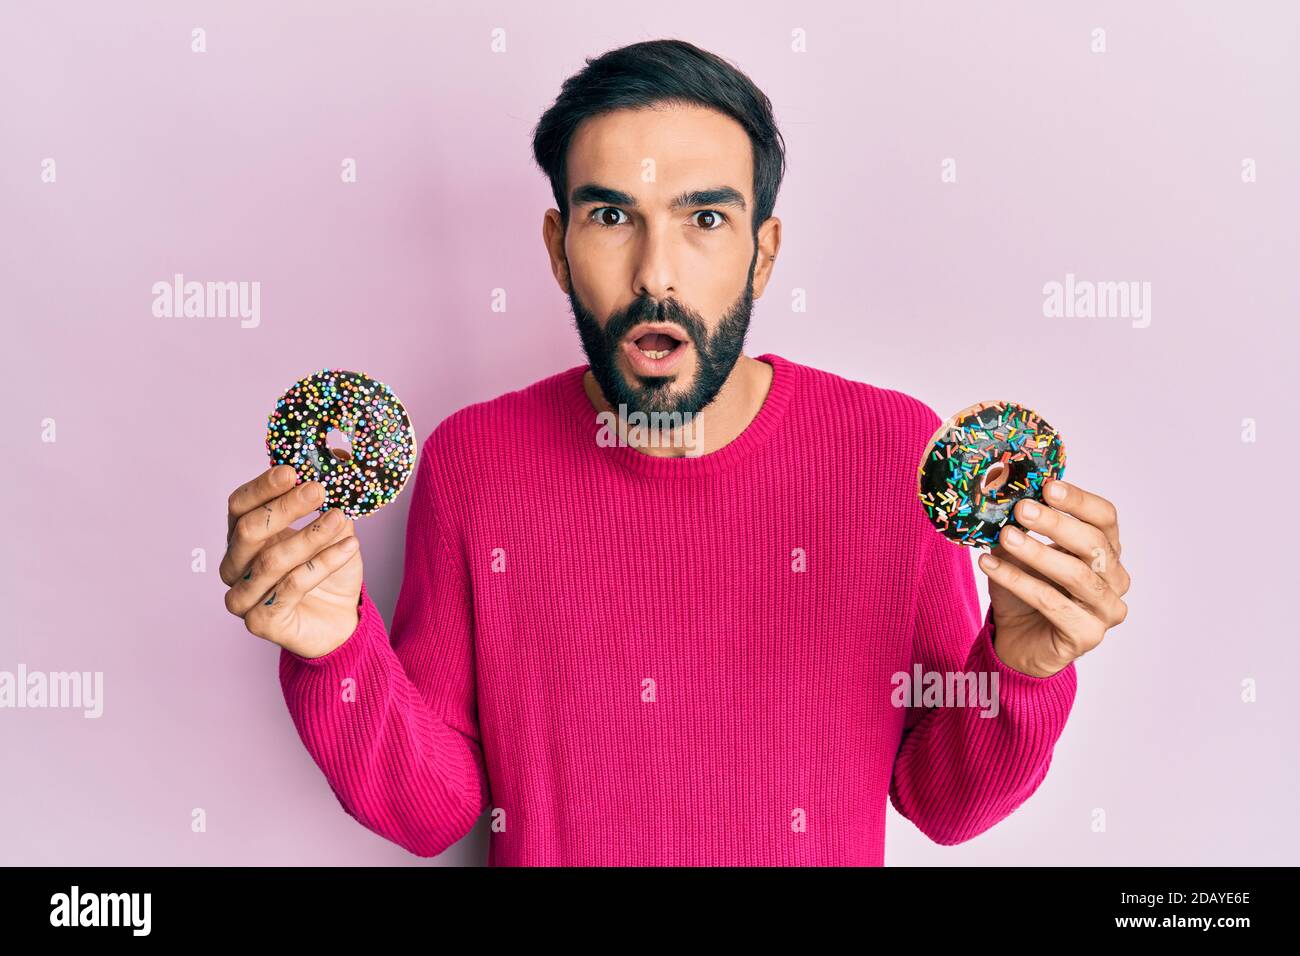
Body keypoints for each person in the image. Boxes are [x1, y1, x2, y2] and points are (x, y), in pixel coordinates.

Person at [220, 39, 1129, 865]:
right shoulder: (476, 463)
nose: (657, 271)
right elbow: (434, 812)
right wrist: (335, 649)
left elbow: (942, 802)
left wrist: (1021, 666)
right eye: (612, 216)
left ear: (762, 255)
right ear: (558, 247)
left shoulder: (893, 452)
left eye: (704, 220)